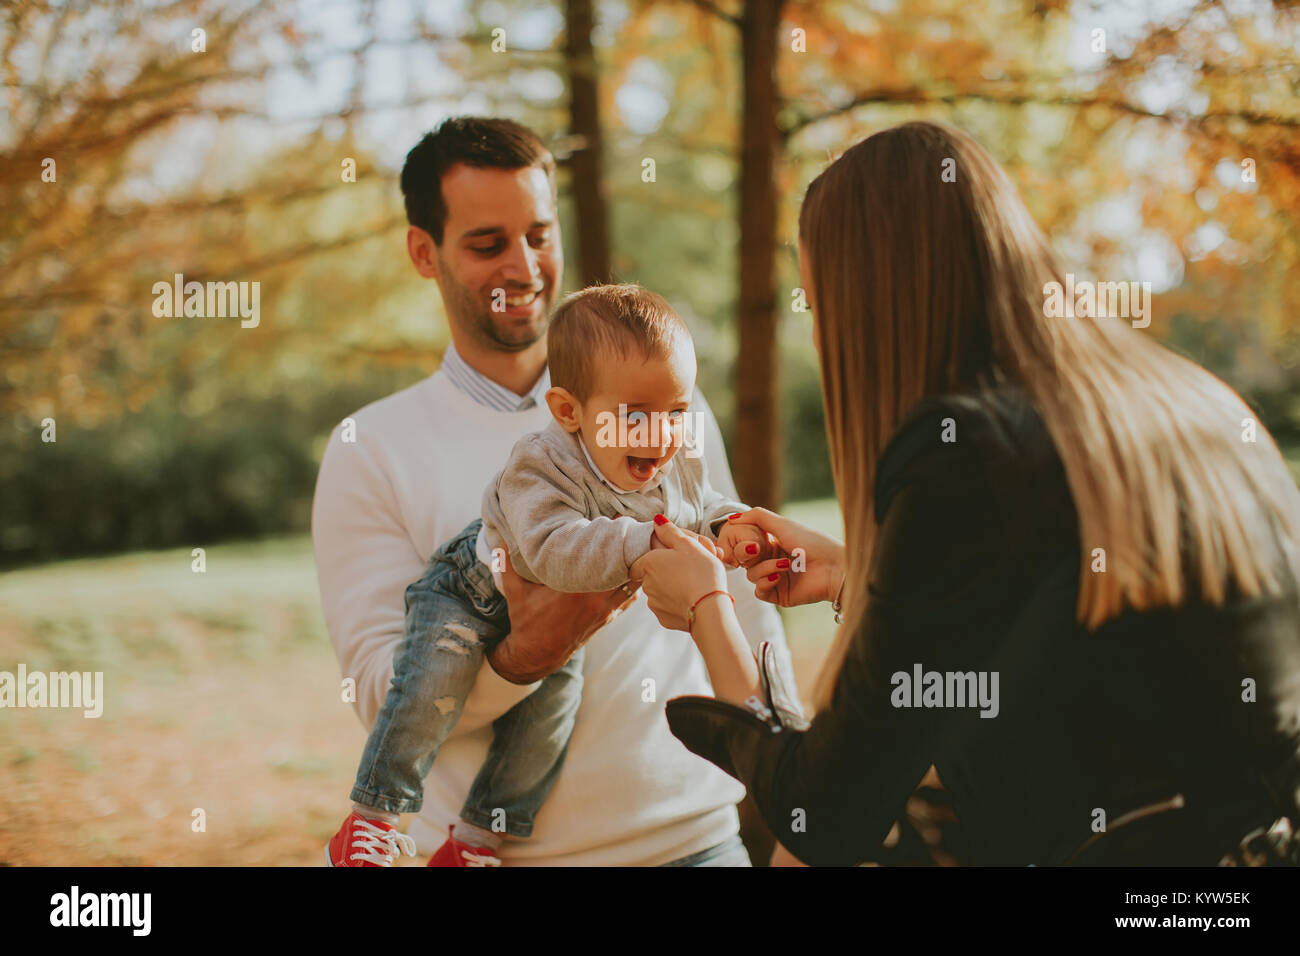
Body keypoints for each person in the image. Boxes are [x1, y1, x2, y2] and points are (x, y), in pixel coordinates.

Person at [631, 120, 1300, 866]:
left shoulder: (965, 452)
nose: (819, 341)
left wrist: (707, 610)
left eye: (818, 309)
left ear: (868, 309)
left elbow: (826, 817)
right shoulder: (1188, 401)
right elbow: (1091, 643)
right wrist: (863, 575)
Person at [312, 116, 793, 867]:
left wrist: (788, 757)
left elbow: (743, 594)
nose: (524, 266)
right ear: (422, 251)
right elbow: (383, 693)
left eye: (540, 234)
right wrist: (524, 655)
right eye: (487, 243)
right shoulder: (369, 450)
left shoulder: (667, 405)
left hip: (699, 842)